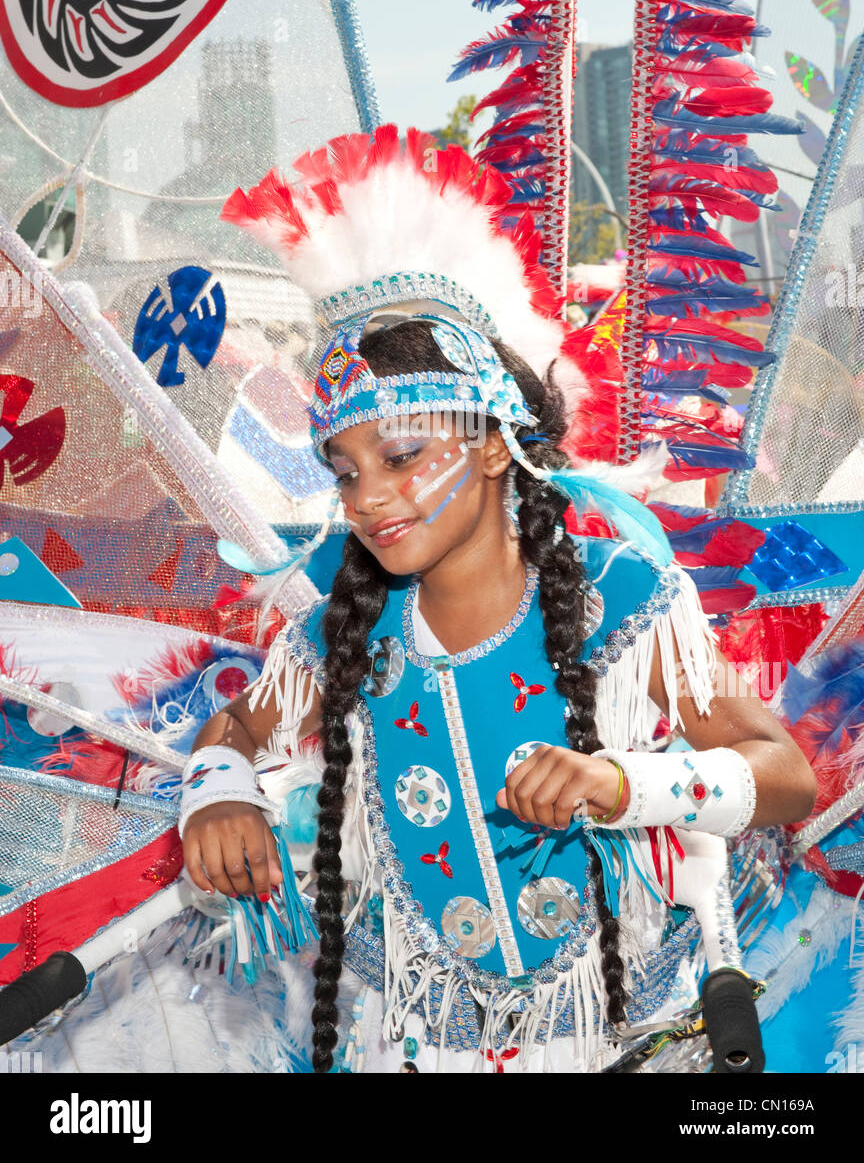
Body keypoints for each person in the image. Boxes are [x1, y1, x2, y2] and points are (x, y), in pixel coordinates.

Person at [179, 126, 816, 1073]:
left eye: (400, 458)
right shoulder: (343, 634)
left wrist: (622, 786)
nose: (369, 499)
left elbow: (787, 775)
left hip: (636, 1044)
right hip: (432, 1050)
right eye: (345, 474)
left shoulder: (623, 599)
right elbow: (232, 727)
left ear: (488, 446)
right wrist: (216, 800)